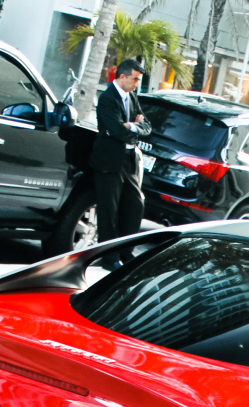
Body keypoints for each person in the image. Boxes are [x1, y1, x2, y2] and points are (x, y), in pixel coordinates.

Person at [89, 58, 149, 266]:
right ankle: (109, 257)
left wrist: (131, 127)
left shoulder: (132, 97)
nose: (136, 84)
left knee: (135, 205)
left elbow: (147, 127)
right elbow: (115, 130)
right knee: (109, 210)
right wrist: (135, 127)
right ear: (122, 76)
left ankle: (125, 252)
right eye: (135, 79)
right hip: (109, 160)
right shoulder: (108, 98)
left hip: (129, 160)